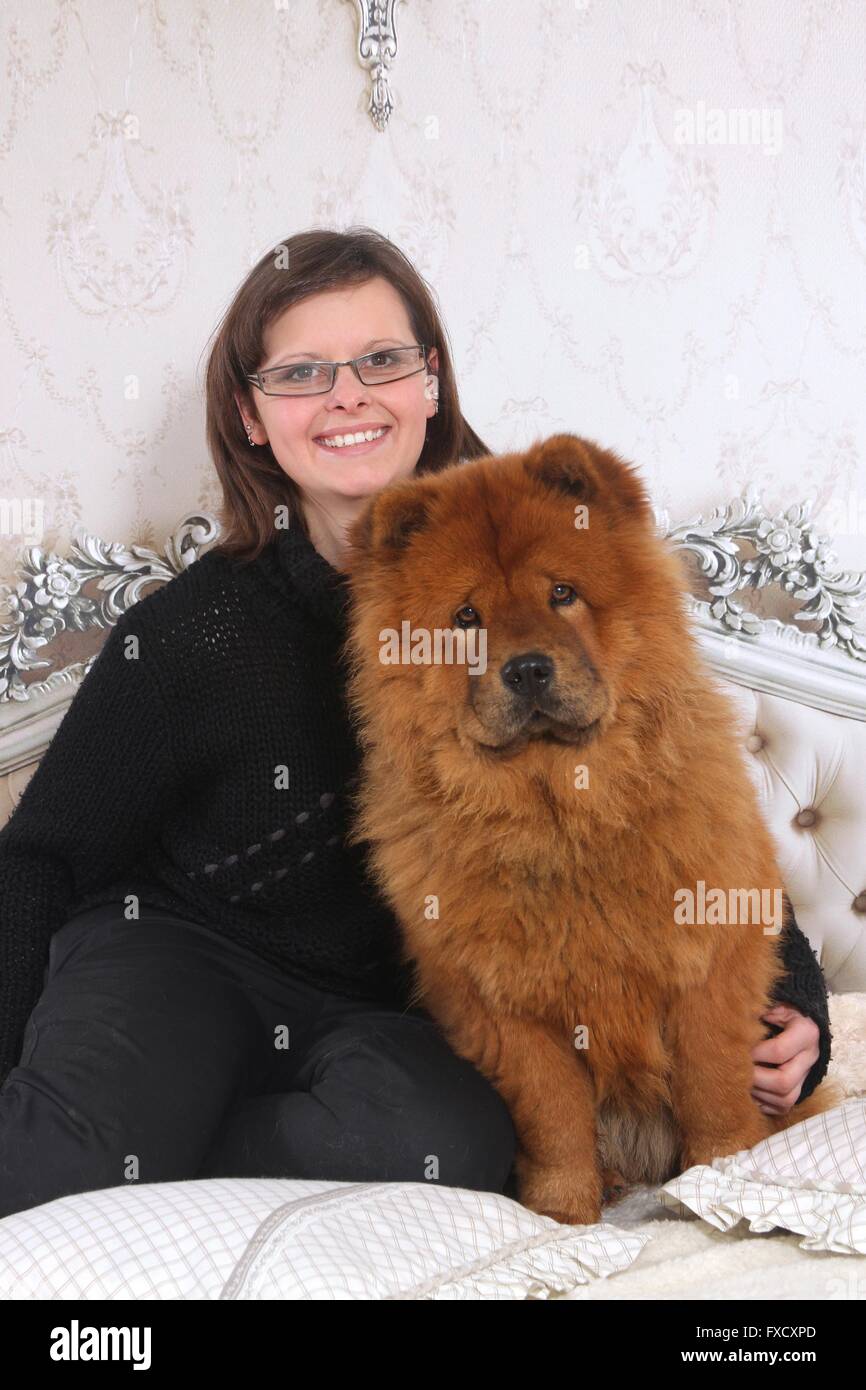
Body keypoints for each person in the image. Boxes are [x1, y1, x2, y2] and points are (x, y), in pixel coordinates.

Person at [0, 228, 830, 1221]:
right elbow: (37, 858)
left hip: (367, 1005)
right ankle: (132, 1119)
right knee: (64, 1167)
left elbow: (690, 824)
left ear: (429, 381)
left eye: (380, 360)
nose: (346, 394)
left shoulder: (542, 526)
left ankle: (188, 1133)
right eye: (301, 373)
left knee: (450, 1147)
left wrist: (803, 1015)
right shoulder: (191, 636)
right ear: (250, 416)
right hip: (183, 954)